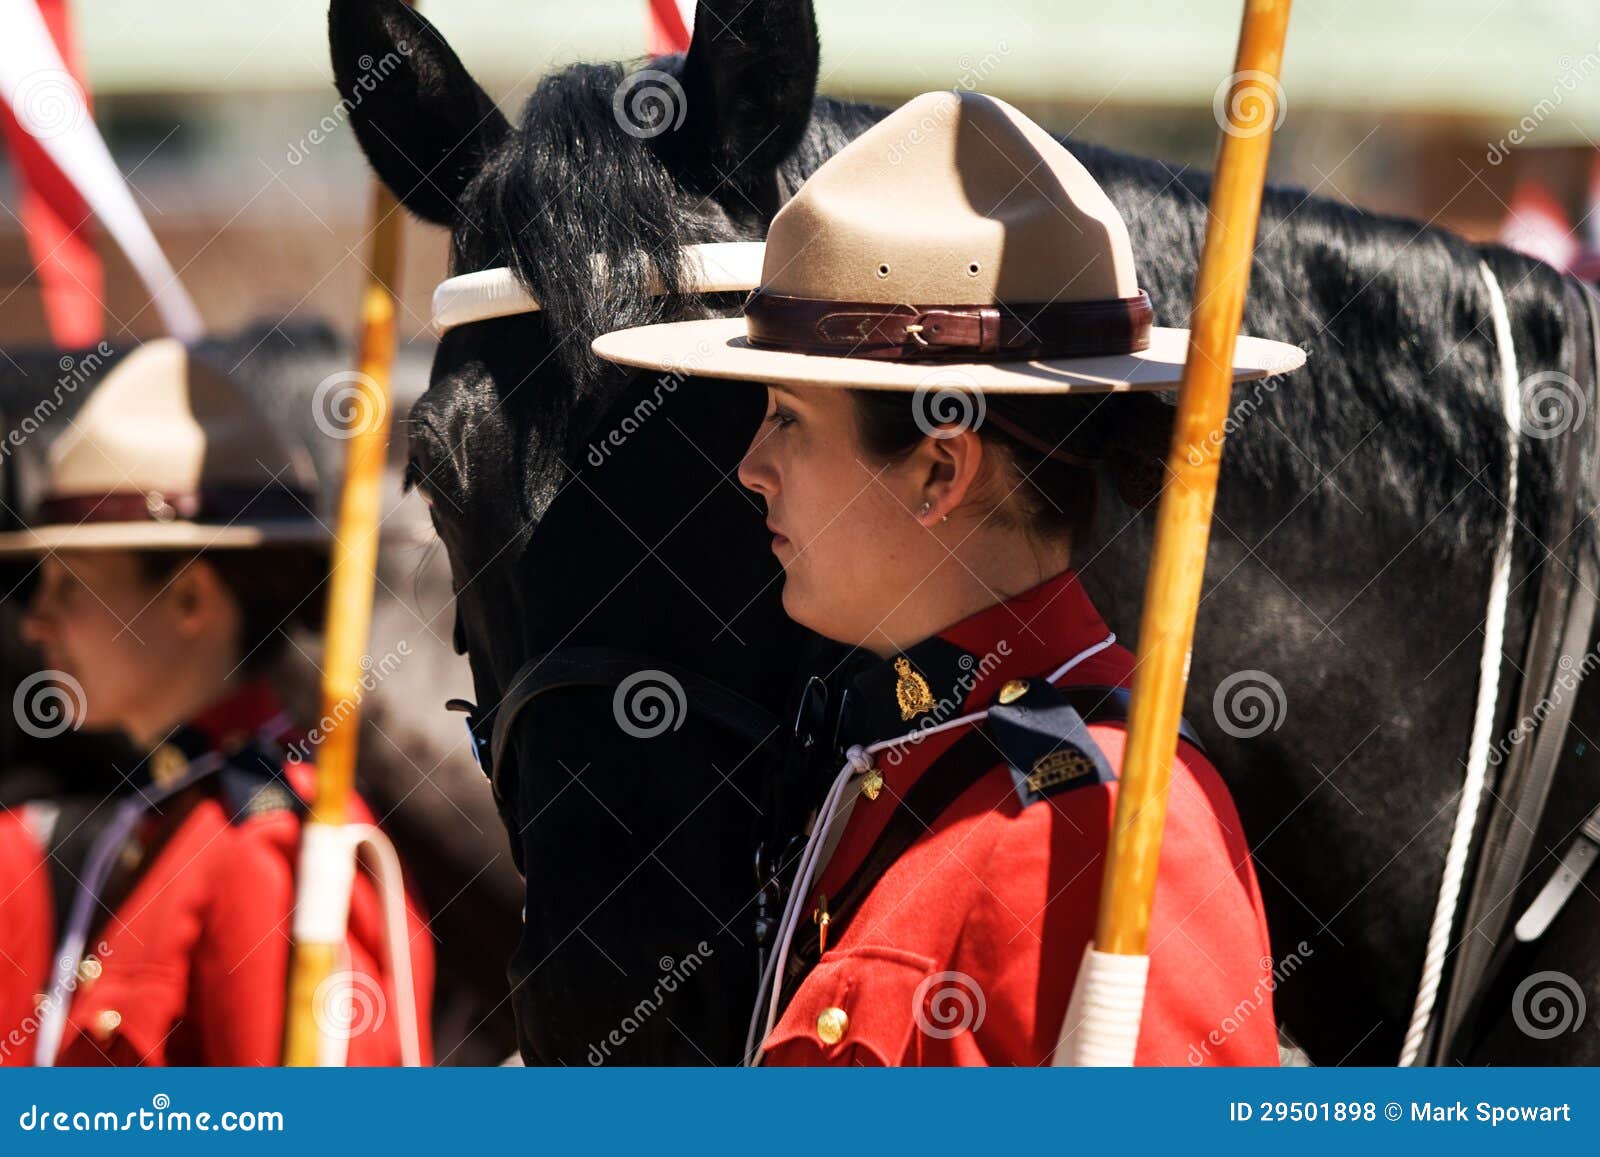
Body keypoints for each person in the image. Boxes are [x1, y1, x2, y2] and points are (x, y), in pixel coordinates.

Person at [591, 90, 1304, 1066]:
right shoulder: (903, 748)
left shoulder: (1100, 823)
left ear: (939, 468)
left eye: (789, 418)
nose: (751, 466)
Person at [0, 338, 433, 1066]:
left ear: (192, 597)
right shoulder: (171, 814)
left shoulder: (265, 847)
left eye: (68, 584)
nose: (36, 622)